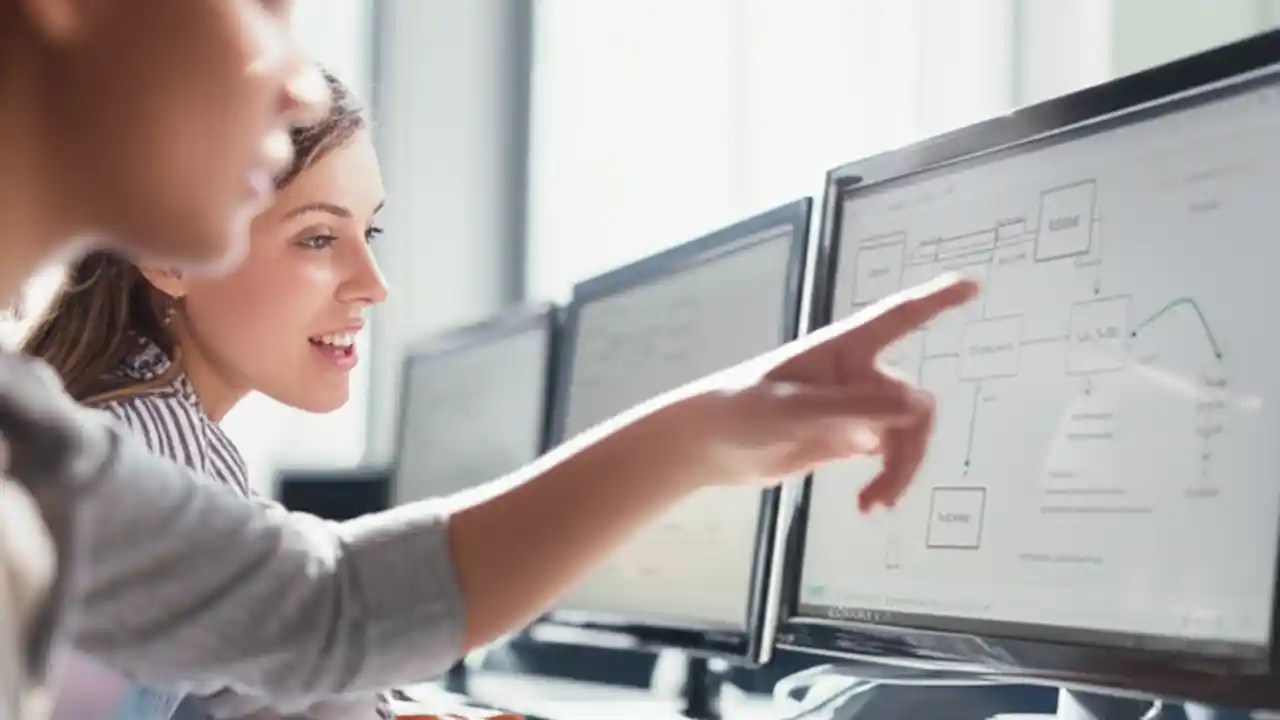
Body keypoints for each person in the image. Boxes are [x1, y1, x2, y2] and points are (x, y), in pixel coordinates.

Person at [0, 0, 978, 717]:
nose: (297, 80)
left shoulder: (41, 449)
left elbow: (321, 609)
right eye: (261, 10)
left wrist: (706, 431)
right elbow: (321, 615)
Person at [24, 70, 391, 720]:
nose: (372, 284)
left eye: (372, 234)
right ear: (171, 259)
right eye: (317, 238)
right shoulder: (162, 462)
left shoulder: (120, 420)